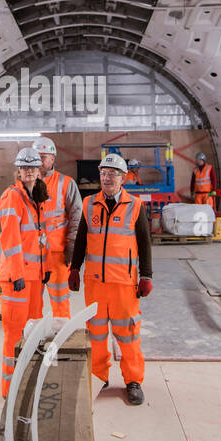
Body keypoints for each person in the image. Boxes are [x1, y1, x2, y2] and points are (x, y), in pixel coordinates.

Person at [68, 152, 153, 406]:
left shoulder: (135, 206)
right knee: (96, 333)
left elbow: (145, 243)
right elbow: (82, 238)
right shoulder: (89, 204)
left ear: (123, 178)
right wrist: (74, 268)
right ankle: (98, 375)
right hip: (95, 283)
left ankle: (133, 380)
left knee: (127, 334)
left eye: (113, 174)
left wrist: (146, 275)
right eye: (103, 173)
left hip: (124, 285)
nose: (107, 178)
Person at [0, 147, 50, 398]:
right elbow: (10, 240)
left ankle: (27, 379)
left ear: (39, 171)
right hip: (16, 279)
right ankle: (10, 388)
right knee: (15, 332)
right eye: (25, 168)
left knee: (33, 331)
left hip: (34, 278)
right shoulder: (12, 197)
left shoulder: (36, 198)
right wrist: (17, 273)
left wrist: (46, 268)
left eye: (33, 168)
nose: (29, 172)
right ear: (18, 171)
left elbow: (40, 238)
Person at [32, 136, 82, 318]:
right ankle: (33, 335)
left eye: (44, 156)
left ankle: (62, 334)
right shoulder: (24, 183)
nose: (40, 160)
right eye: (36, 156)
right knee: (32, 298)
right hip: (32, 253)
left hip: (57, 253)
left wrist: (72, 245)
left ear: (53, 158)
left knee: (60, 297)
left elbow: (77, 215)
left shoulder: (66, 183)